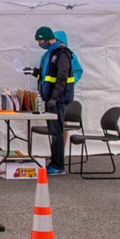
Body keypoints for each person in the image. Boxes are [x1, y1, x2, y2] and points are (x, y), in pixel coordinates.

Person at [31, 26, 74, 176]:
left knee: (56, 133)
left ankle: (58, 165)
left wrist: (54, 97)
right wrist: (35, 73)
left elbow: (62, 78)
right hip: (51, 98)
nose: (39, 44)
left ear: (48, 38)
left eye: (40, 41)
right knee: (54, 132)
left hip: (58, 100)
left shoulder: (62, 54)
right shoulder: (51, 53)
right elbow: (49, 76)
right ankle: (55, 162)